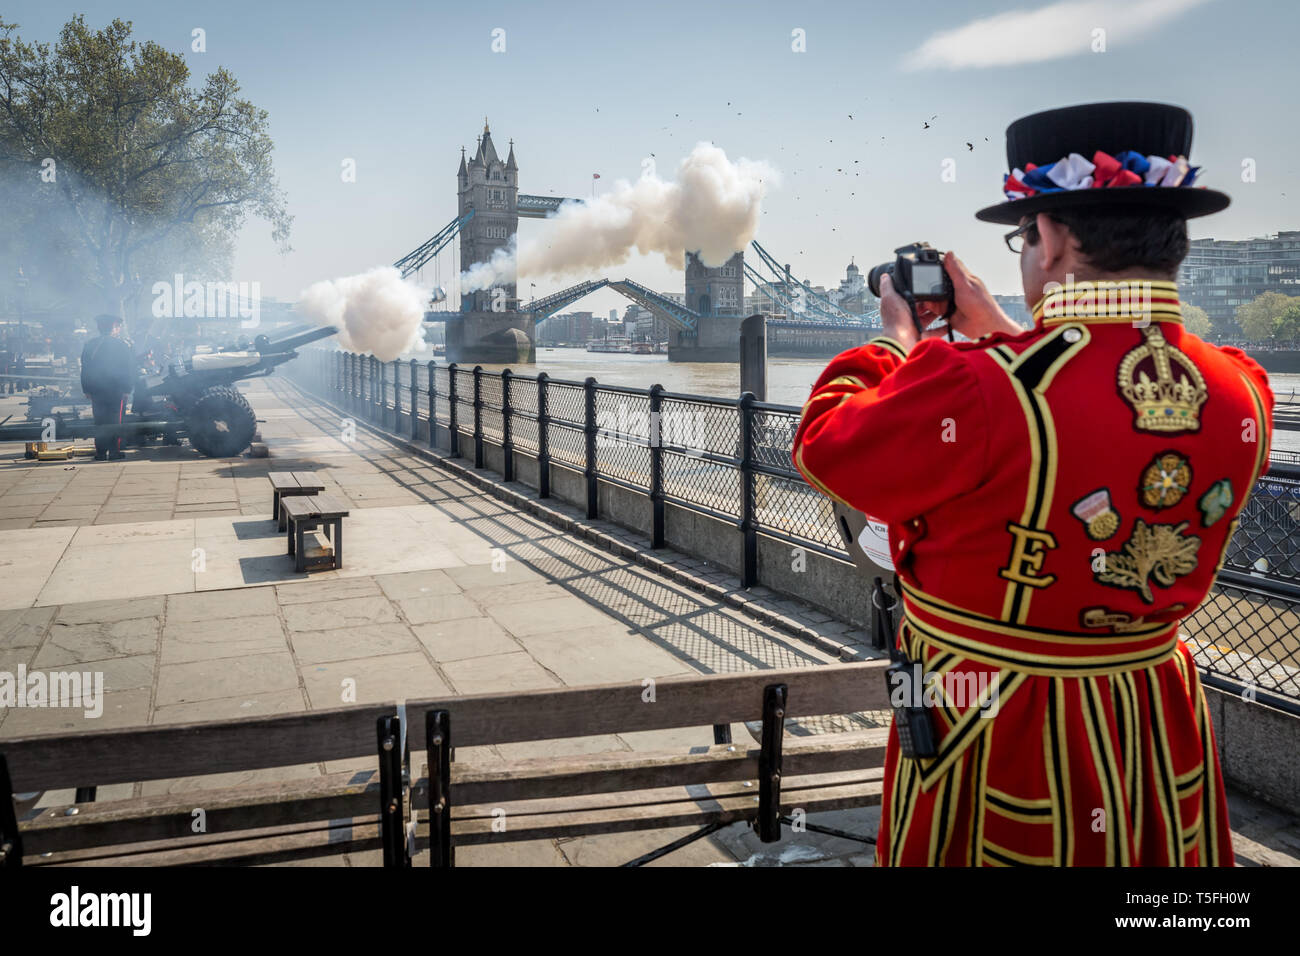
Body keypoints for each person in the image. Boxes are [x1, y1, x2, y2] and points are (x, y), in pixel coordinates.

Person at [793, 102, 1272, 866]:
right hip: (1151, 715)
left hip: (996, 724)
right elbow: (1086, 399)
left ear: (1048, 240)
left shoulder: (978, 386)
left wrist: (894, 342)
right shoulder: (1243, 389)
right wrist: (1005, 335)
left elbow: (826, 445)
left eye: (1023, 237)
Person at [80, 314, 137, 461]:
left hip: (97, 389)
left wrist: (86, 389)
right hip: (116, 389)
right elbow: (128, 369)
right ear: (115, 327)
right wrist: (127, 388)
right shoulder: (122, 345)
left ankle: (100, 452)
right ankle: (114, 451)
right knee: (115, 420)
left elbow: (85, 369)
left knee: (99, 420)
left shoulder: (90, 345)